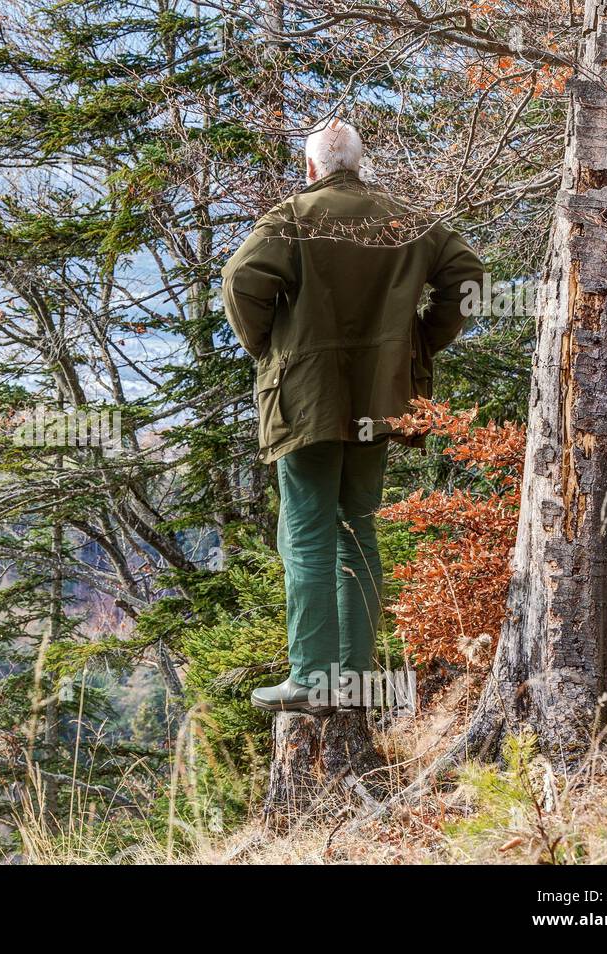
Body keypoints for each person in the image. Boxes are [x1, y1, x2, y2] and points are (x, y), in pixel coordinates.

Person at [220, 118, 483, 714]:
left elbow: (240, 281)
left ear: (311, 168)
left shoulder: (291, 218)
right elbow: (468, 277)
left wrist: (271, 351)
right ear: (358, 165)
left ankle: (311, 679)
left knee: (307, 536)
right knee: (356, 531)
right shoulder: (407, 219)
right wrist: (420, 343)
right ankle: (356, 681)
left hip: (307, 403)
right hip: (379, 401)